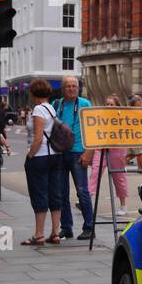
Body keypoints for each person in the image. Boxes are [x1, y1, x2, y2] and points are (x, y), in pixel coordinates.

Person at [52, 75, 95, 240]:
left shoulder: (85, 104)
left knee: (82, 191)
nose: (71, 89)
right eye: (68, 86)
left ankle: (89, 227)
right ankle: (66, 227)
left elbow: (92, 131)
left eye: (74, 86)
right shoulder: (57, 104)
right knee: (61, 192)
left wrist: (88, 152)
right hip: (61, 153)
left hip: (78, 153)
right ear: (63, 89)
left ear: (78, 88)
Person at [22, 78, 64, 246]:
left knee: (39, 194)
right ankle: (55, 233)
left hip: (40, 157)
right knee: (55, 193)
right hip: (55, 155)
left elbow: (38, 138)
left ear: (33, 93)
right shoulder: (51, 108)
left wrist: (30, 155)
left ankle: (39, 234)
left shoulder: (38, 110)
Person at [88, 94, 129, 216]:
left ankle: (123, 205)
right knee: (95, 172)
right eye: (107, 104)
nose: (109, 106)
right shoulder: (100, 117)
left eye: (111, 104)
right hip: (101, 148)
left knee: (119, 177)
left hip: (117, 149)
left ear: (117, 106)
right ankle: (86, 201)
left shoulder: (122, 118)